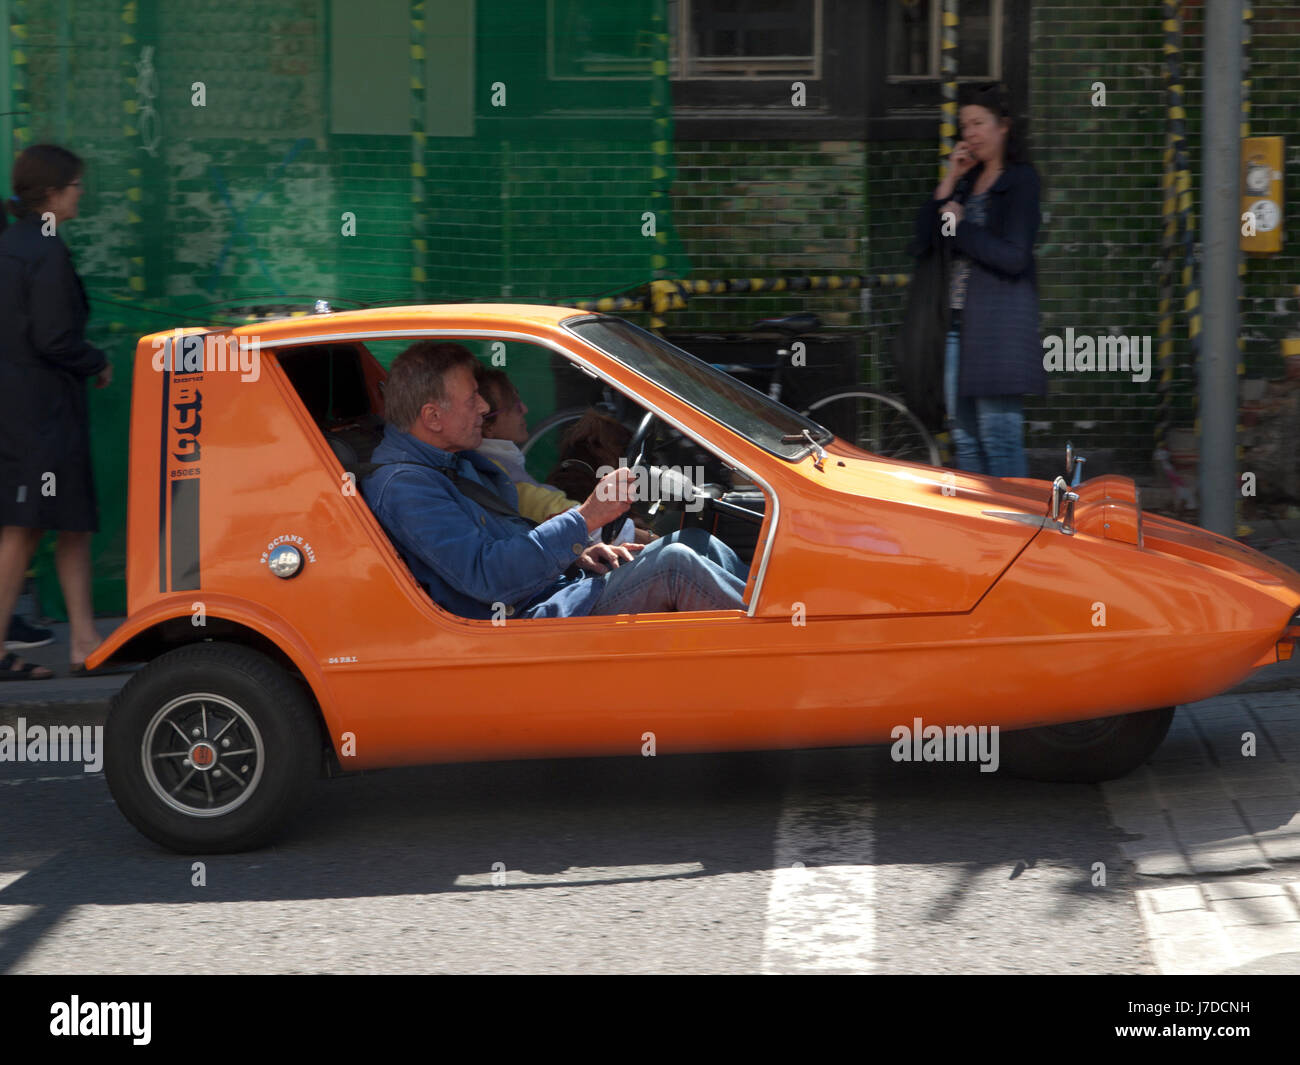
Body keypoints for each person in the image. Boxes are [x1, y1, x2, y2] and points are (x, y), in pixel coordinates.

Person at [363, 341, 748, 619]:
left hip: (551, 586)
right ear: (432, 417)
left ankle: (783, 629)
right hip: (521, 620)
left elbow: (511, 538)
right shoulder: (405, 487)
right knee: (674, 565)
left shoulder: (455, 463)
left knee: (693, 541)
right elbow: (488, 577)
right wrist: (584, 519)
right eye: (473, 399)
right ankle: (790, 657)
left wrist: (573, 553)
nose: (484, 408)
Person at [0, 144, 109, 680]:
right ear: (51, 192)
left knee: (64, 524)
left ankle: (85, 641)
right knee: (26, 527)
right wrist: (96, 361)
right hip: (41, 413)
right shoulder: (45, 250)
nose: (80, 192)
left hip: (25, 410)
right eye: (75, 185)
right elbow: (52, 337)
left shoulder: (16, 242)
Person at [911, 82, 1045, 477]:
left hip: (998, 328)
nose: (969, 133)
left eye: (978, 123)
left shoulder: (1021, 182)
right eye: (964, 125)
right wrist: (951, 179)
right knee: (965, 440)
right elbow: (926, 239)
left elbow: (1014, 256)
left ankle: (1021, 534)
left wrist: (962, 225)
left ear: (1003, 126)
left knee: (998, 436)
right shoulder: (968, 184)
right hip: (956, 328)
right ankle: (983, 538)